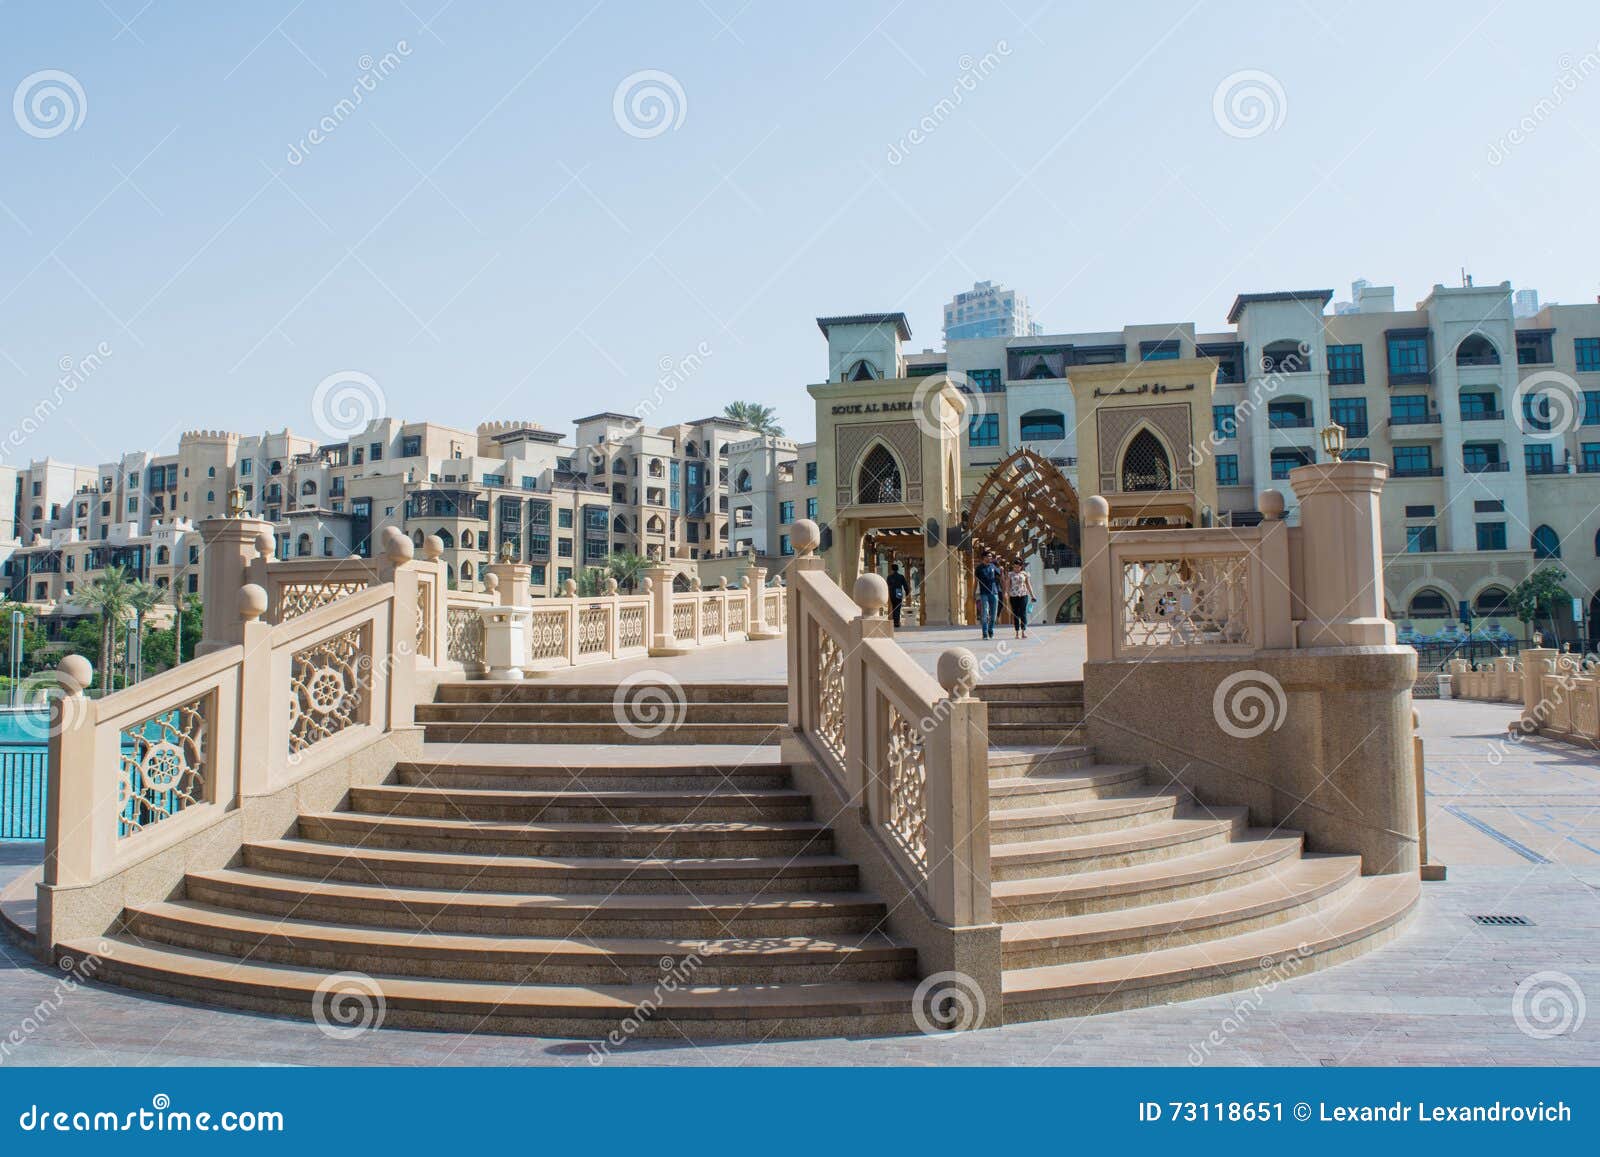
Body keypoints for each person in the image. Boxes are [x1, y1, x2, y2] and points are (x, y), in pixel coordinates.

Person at [974, 550, 1003, 640]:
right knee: (985, 614)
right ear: (984, 557)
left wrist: (1001, 570)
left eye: (991, 556)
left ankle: (991, 629)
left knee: (993, 615)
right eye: (989, 556)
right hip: (984, 594)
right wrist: (973, 593)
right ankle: (985, 633)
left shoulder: (993, 566)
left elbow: (1000, 577)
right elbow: (976, 581)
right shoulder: (979, 568)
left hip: (994, 593)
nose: (990, 558)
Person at [1006, 559, 1036, 638]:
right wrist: (1006, 593)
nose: (1016, 569)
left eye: (1018, 567)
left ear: (1021, 567)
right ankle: (1017, 632)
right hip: (1013, 596)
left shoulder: (1025, 574)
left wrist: (1032, 595)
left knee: (1023, 613)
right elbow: (1008, 585)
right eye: (1015, 567)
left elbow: (1028, 585)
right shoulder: (1010, 574)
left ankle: (1023, 631)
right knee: (1015, 614)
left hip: (1023, 595)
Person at [886, 562, 909, 628]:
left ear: (892, 569)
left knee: (894, 608)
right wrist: (907, 593)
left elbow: (888, 585)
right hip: (898, 592)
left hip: (892, 593)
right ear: (897, 569)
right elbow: (905, 586)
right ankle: (897, 622)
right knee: (898, 608)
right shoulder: (901, 576)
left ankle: (895, 622)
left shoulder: (889, 577)